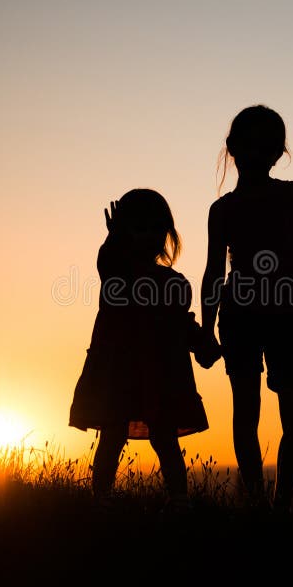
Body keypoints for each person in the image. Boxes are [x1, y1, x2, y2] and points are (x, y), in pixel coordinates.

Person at [198, 105, 293, 512]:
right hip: (240, 319)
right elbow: (212, 274)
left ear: (277, 152)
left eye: (266, 145)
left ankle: (281, 505)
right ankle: (257, 504)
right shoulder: (222, 210)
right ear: (234, 148)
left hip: (287, 317)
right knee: (246, 413)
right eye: (251, 144)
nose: (258, 153)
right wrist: (206, 328)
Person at [69, 188, 217, 511]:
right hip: (119, 373)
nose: (147, 236)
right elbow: (106, 260)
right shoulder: (116, 275)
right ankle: (101, 496)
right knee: (113, 432)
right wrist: (113, 239)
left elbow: (181, 323)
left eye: (155, 229)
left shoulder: (172, 283)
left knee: (164, 436)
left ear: (165, 234)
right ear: (124, 232)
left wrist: (202, 342)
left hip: (159, 375)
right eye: (138, 228)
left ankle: (179, 498)